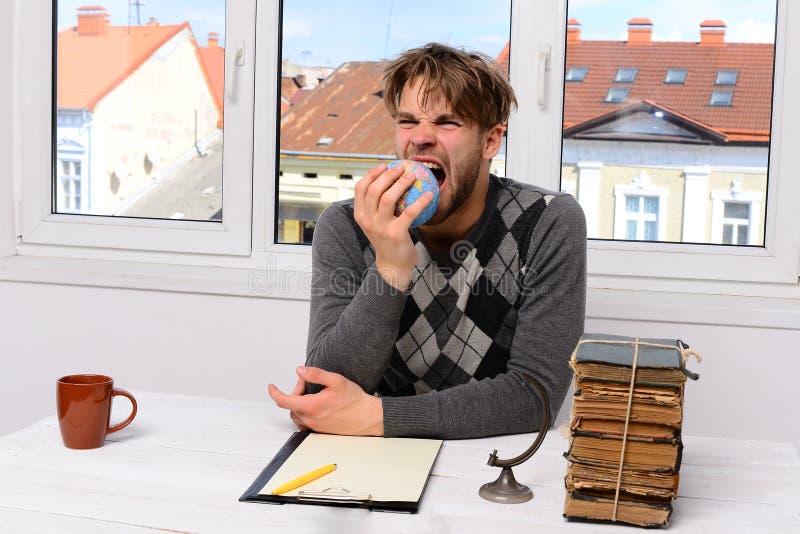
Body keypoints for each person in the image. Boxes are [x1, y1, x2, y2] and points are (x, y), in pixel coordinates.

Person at [268, 42, 586, 439]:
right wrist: (390, 267)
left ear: (490, 141)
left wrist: (379, 417)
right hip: (372, 460)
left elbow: (535, 396)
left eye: (447, 122)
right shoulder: (347, 225)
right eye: (407, 121)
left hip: (489, 465)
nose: (420, 138)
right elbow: (325, 387)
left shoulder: (548, 221)